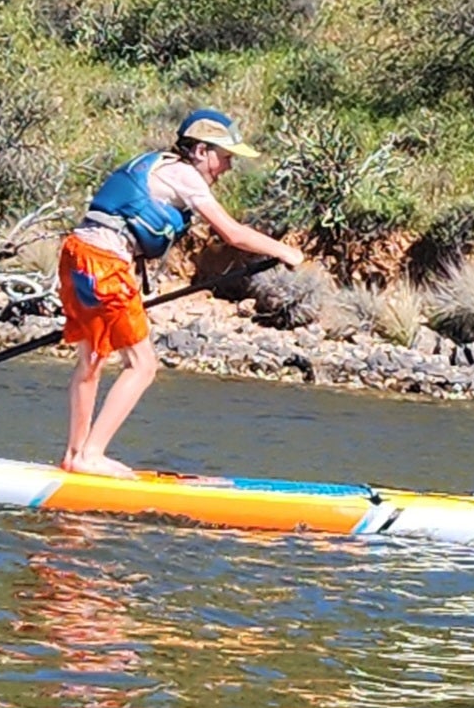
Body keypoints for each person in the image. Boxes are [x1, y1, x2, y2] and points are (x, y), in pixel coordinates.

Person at [58, 108, 304, 479]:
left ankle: (75, 455)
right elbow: (233, 234)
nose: (227, 167)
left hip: (78, 255)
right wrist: (284, 251)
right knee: (142, 366)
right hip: (105, 264)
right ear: (202, 151)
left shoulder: (159, 163)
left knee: (91, 359)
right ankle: (90, 455)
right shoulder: (186, 175)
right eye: (225, 158)